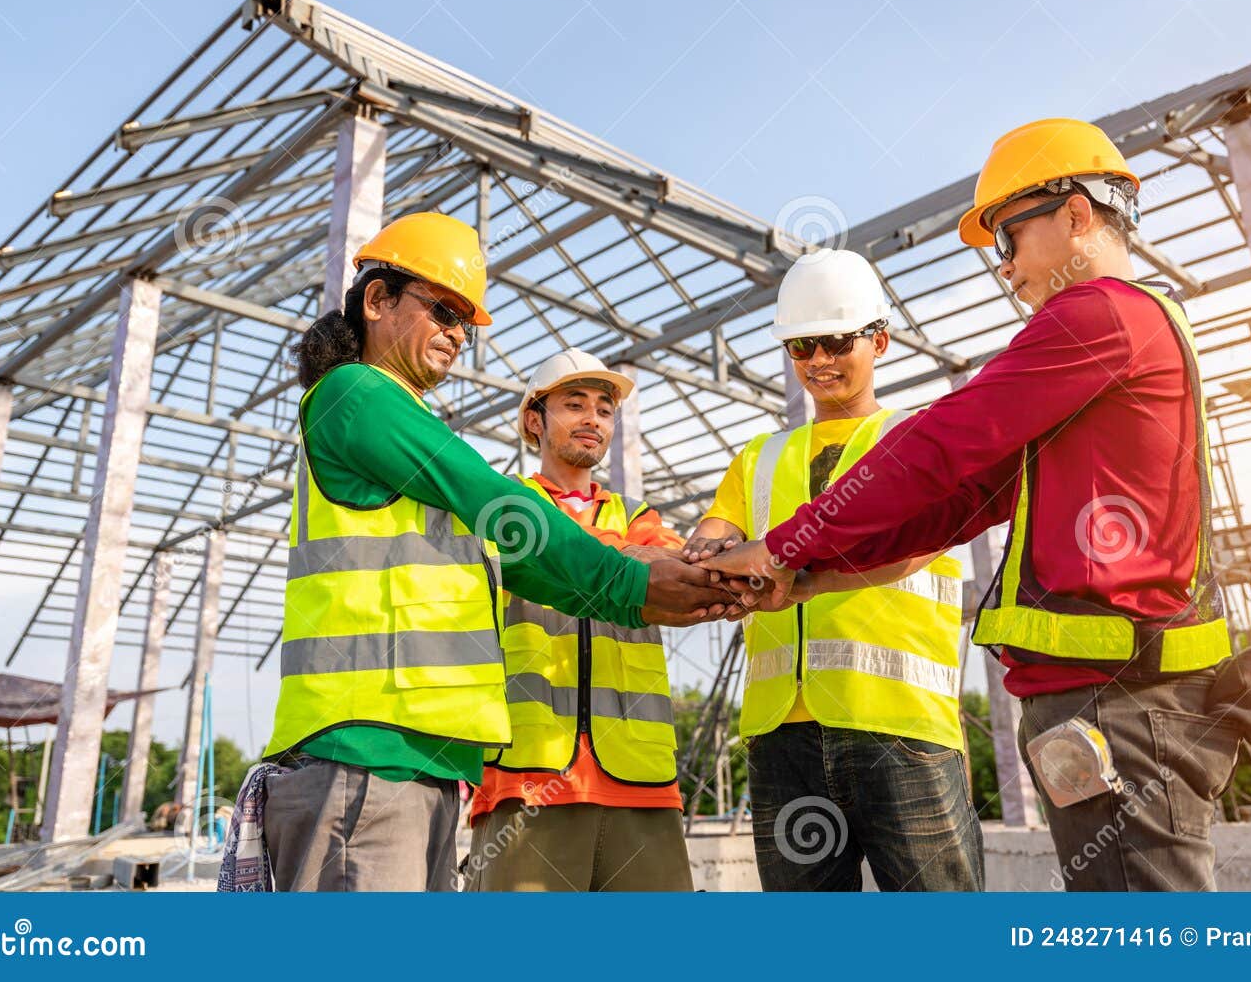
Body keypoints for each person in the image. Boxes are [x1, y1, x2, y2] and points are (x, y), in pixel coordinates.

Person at [703, 119, 1239, 891]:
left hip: (1118, 693)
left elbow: (948, 443)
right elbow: (965, 502)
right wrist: (815, 577)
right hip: (1102, 692)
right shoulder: (1111, 334)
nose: (1006, 268)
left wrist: (786, 544)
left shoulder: (1100, 316)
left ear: (1077, 214)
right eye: (802, 346)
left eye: (1009, 239)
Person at [260, 212, 732, 891]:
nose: (456, 335)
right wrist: (630, 583)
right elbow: (492, 501)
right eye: (444, 310)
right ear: (376, 300)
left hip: (415, 763)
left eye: (465, 323)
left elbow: (512, 541)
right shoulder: (355, 394)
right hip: (360, 758)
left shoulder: (398, 419)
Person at [683, 249, 983, 891]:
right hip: (781, 737)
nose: (818, 360)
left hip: (902, 728)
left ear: (879, 340)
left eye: (836, 341)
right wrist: (698, 560)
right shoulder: (758, 458)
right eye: (801, 346)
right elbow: (710, 541)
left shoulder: (920, 437)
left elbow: (920, 546)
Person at [465, 350, 693, 891]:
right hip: (526, 777)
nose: (593, 419)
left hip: (640, 779)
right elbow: (639, 563)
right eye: (574, 404)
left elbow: (682, 573)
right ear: (533, 421)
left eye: (604, 409)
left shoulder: (638, 516)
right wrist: (627, 557)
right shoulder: (504, 505)